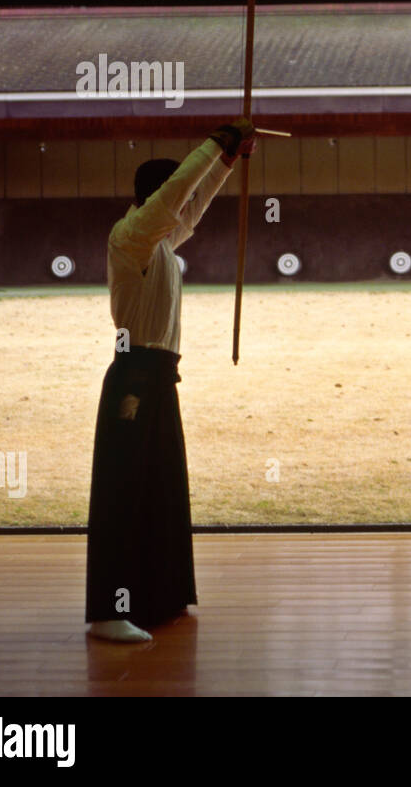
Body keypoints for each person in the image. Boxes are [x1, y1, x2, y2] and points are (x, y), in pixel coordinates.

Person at [85, 118, 256, 642]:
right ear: (154, 198)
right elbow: (178, 194)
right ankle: (110, 612)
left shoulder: (158, 242)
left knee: (159, 488)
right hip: (134, 380)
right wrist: (214, 144)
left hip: (158, 378)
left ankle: (158, 596)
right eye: (170, 200)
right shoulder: (132, 236)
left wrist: (226, 164)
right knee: (123, 490)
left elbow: (192, 203)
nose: (179, 211)